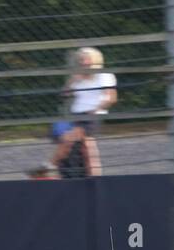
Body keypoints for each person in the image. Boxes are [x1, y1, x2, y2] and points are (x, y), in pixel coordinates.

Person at [38, 47, 117, 178]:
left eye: (87, 58)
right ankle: (92, 177)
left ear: (95, 60)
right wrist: (72, 80)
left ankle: (49, 165)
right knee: (85, 147)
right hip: (77, 115)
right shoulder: (78, 77)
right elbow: (65, 94)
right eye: (81, 59)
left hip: (92, 115)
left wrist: (97, 109)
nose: (83, 61)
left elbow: (111, 97)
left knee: (68, 139)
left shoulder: (104, 76)